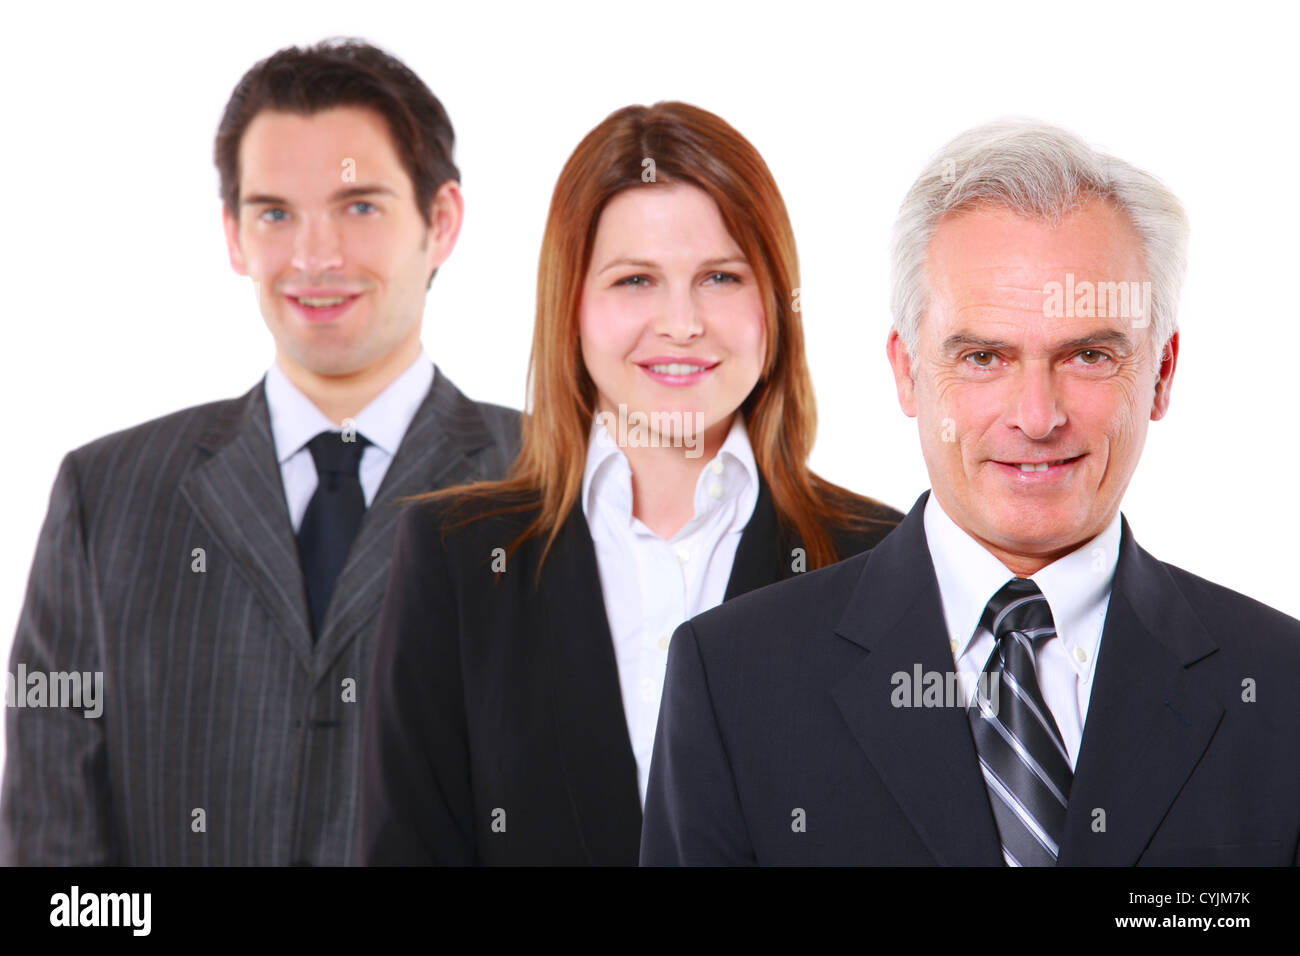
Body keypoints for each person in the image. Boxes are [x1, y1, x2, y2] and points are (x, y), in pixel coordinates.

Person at [641, 119, 1300, 866]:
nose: (1036, 417)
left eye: (1088, 355)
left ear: (1163, 372)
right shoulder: (734, 681)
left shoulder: (1280, 689)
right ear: (907, 371)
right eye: (984, 356)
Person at [0, 38, 522, 866]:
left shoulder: (559, 482)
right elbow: (51, 841)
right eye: (275, 212)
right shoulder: (106, 497)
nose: (315, 257)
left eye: (359, 206)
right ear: (234, 236)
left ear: (443, 221)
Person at [359, 101, 902, 866]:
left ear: (774, 303)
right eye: (635, 279)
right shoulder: (455, 558)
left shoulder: (884, 560)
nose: (680, 323)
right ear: (571, 306)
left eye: (720, 276)